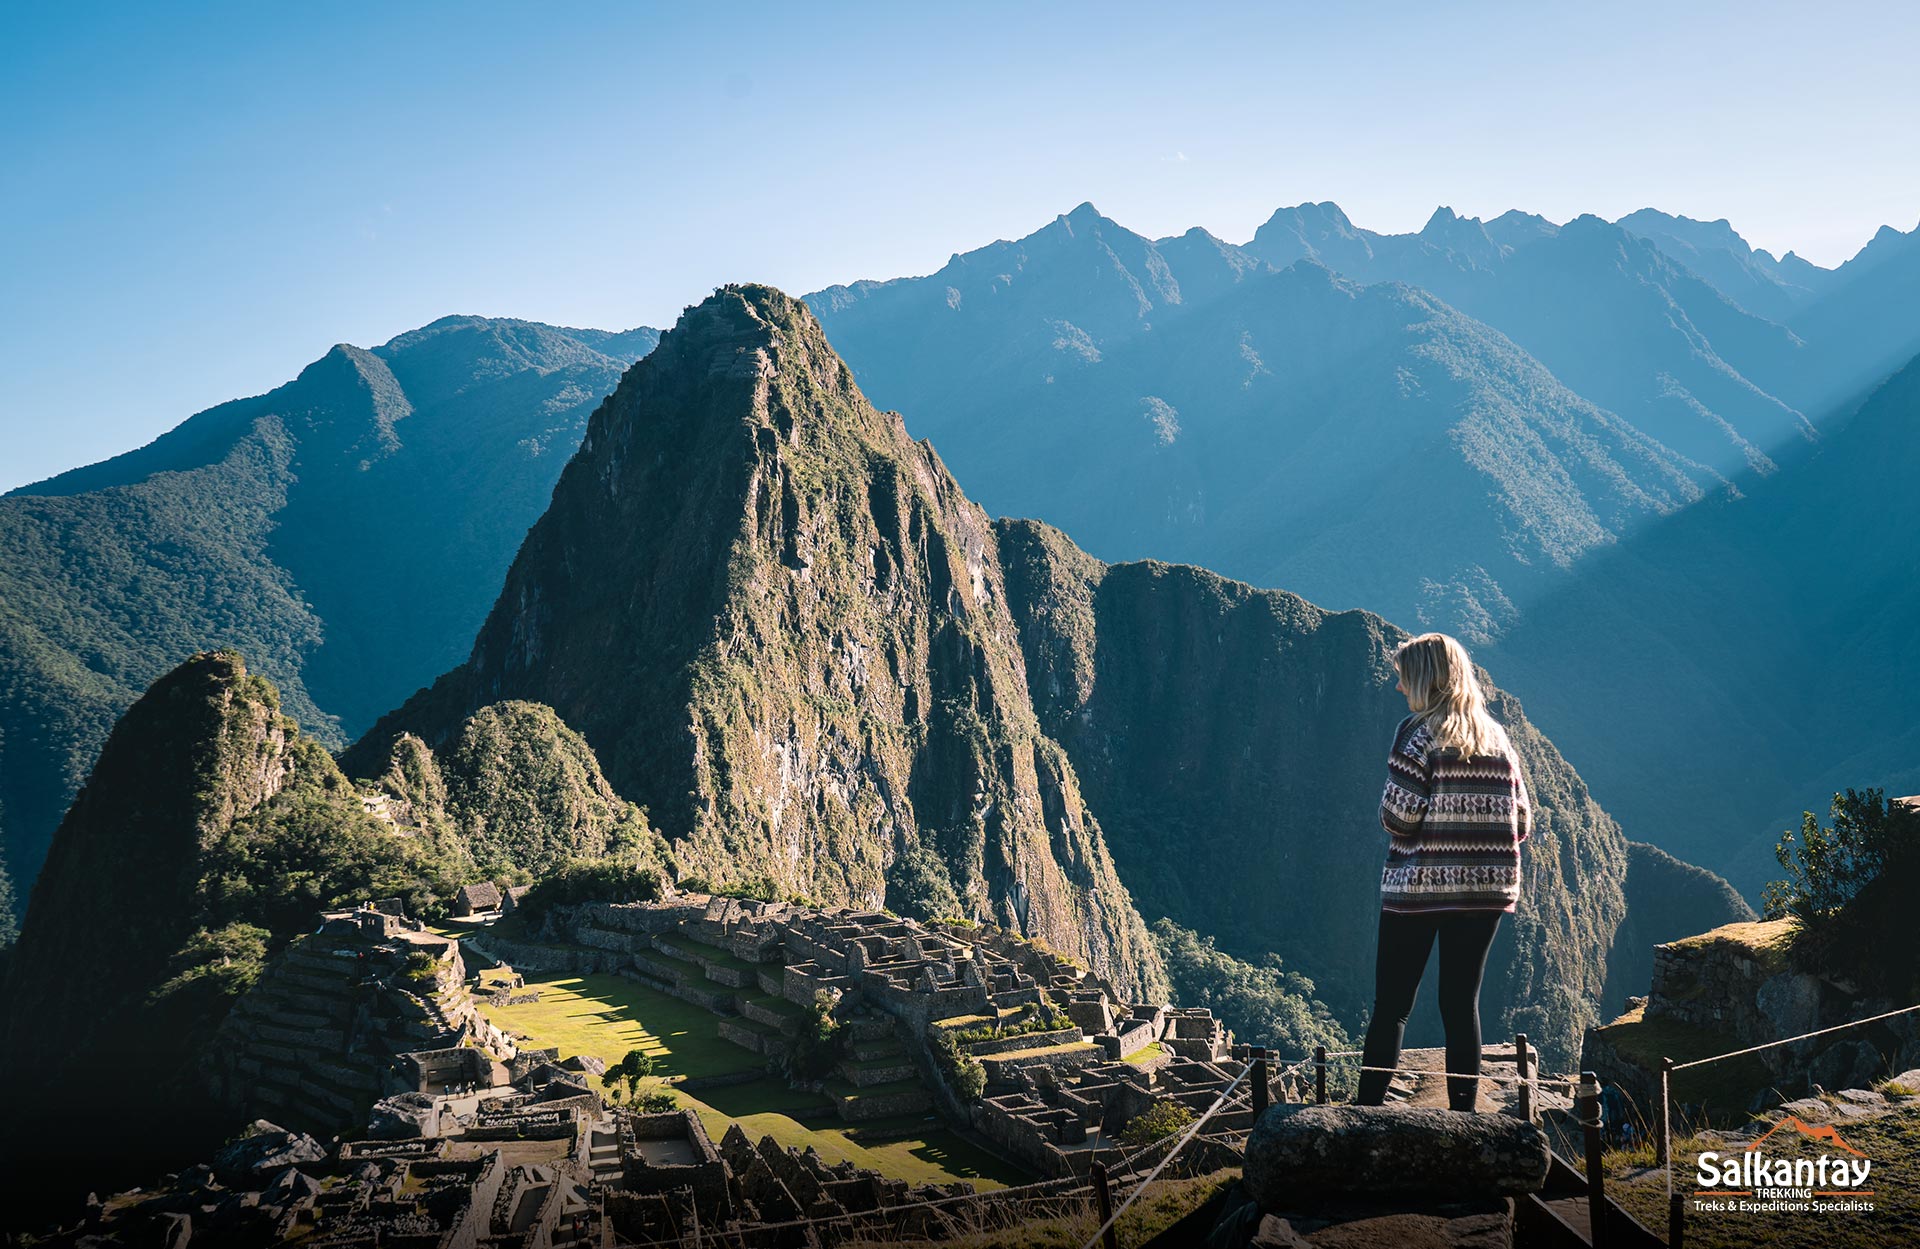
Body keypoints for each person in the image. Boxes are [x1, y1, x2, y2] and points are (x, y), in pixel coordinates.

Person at [1354, 632, 1532, 1112]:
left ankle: (1366, 1112)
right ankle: (1463, 1115)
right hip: (1486, 892)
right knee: (1460, 1003)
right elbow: (1522, 822)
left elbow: (1399, 818)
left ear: (1424, 680)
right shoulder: (1497, 737)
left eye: (1403, 678)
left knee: (1392, 1006)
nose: (1397, 687)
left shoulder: (1416, 734)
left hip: (1419, 889)